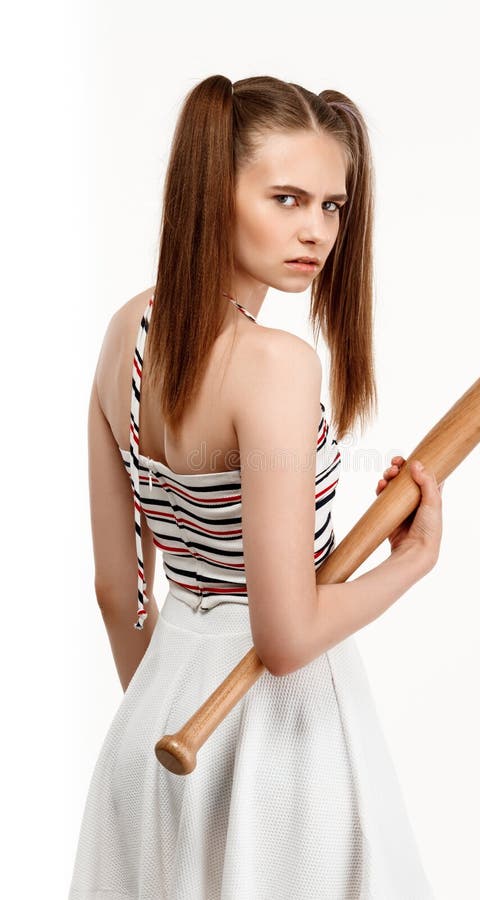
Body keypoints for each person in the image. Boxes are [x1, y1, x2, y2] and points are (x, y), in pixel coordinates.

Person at [68, 74, 443, 900]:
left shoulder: (125, 333)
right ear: (214, 191)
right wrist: (411, 559)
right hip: (279, 747)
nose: (315, 230)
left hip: (156, 732)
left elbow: (116, 591)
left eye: (333, 206)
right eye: (286, 197)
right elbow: (286, 636)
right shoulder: (276, 365)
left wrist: (172, 699)